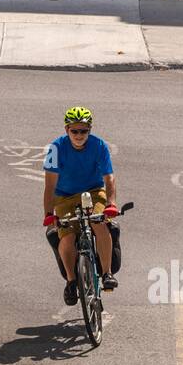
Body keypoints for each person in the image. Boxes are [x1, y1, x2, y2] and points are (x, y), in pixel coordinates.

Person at [43, 107, 119, 305]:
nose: (79, 135)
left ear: (89, 130)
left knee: (99, 223)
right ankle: (71, 281)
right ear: (67, 129)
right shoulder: (56, 148)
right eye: (74, 131)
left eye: (83, 131)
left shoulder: (99, 146)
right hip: (65, 197)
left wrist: (111, 204)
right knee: (66, 236)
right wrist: (49, 214)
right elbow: (50, 184)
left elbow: (109, 178)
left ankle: (107, 273)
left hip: (94, 192)